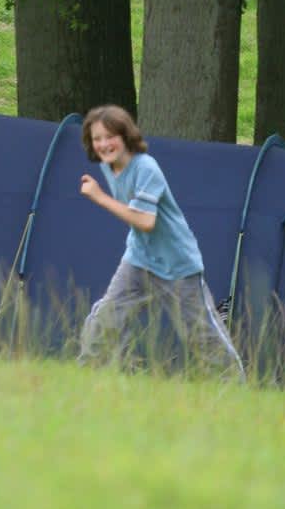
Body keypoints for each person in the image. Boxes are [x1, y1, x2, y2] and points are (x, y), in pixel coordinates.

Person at [77, 104, 243, 378]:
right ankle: (86, 379)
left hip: (178, 265)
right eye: (97, 138)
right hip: (139, 259)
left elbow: (145, 221)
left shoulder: (146, 168)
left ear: (125, 135)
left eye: (110, 136)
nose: (104, 144)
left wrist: (99, 197)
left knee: (203, 337)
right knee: (104, 319)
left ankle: (235, 389)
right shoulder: (108, 166)